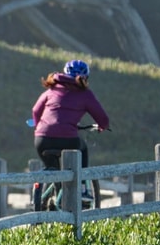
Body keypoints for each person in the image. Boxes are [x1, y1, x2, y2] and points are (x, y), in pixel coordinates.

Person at [31, 59, 110, 203]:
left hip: (42, 139)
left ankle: (51, 200)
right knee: (83, 148)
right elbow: (102, 118)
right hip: (67, 139)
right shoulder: (85, 94)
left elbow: (36, 110)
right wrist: (102, 126)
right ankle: (82, 188)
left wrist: (38, 126)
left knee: (52, 169)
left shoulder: (51, 90)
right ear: (85, 77)